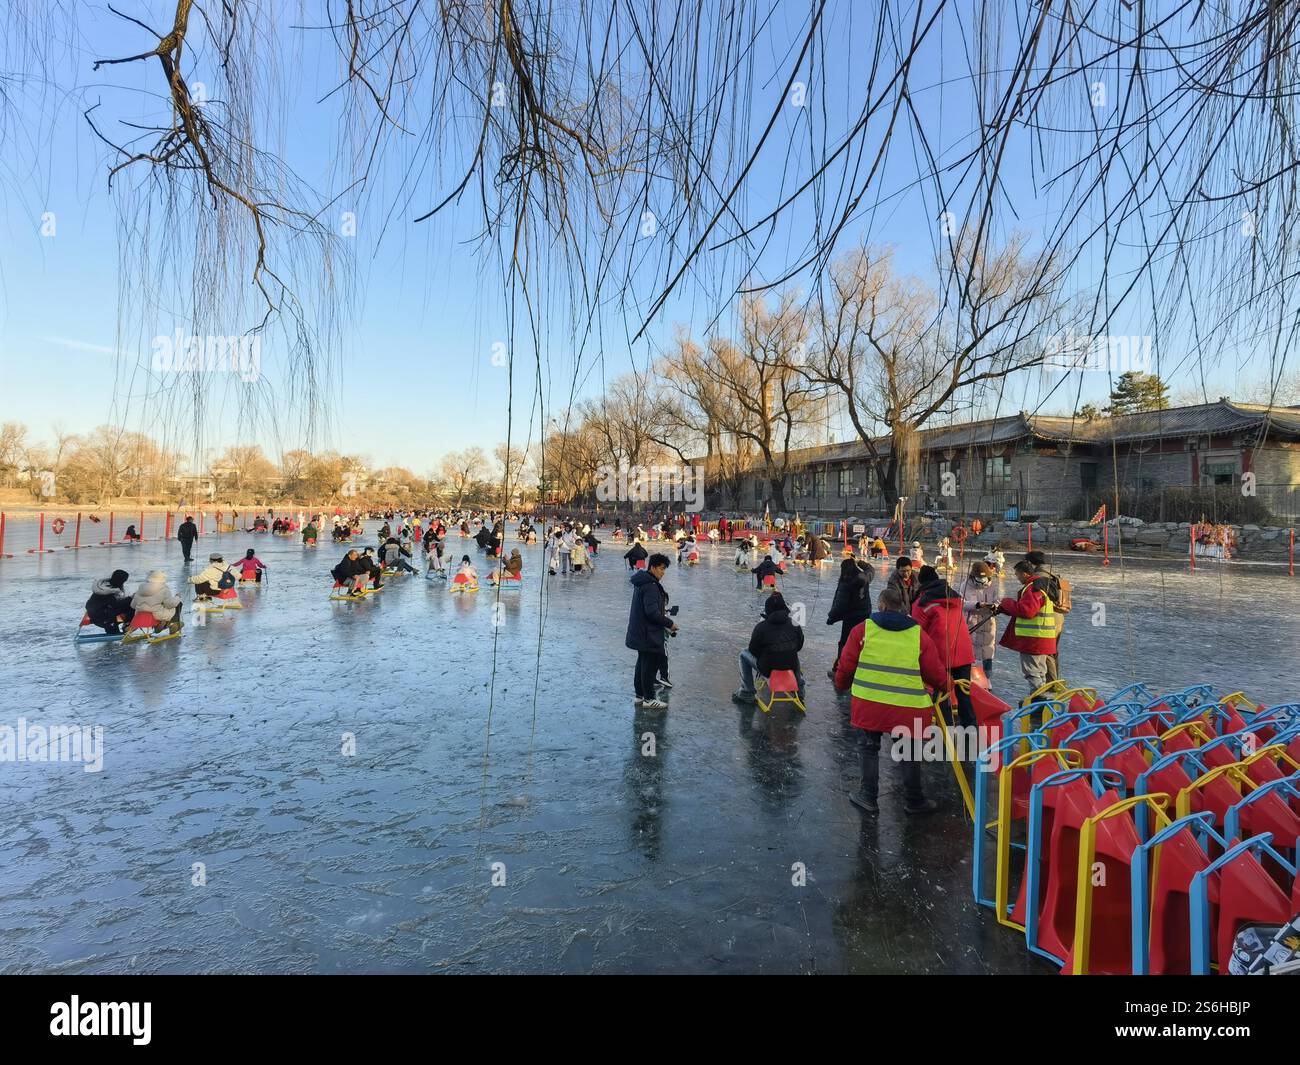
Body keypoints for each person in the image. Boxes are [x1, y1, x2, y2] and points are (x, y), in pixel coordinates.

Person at [834, 586, 951, 815]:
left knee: (868, 749)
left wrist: (841, 685)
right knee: (908, 752)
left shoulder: (862, 630)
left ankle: (868, 796)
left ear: (881, 606)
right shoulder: (918, 635)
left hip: (869, 704)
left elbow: (846, 665)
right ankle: (914, 799)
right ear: (903, 608)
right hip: (908, 708)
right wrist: (948, 686)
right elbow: (934, 672)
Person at [911, 565, 976, 728]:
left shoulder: (923, 602)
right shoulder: (955, 597)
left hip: (940, 655)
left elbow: (916, 631)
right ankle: (970, 728)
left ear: (921, 582)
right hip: (964, 652)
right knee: (964, 694)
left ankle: (946, 729)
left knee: (941, 693)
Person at [998, 560, 1058, 698]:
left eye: (1017, 574)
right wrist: (1007, 609)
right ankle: (1043, 699)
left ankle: (1038, 701)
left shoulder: (1032, 588)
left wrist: (1006, 602)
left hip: (1033, 638)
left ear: (1024, 574)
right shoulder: (1042, 586)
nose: (1017, 577)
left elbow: (1027, 611)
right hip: (1043, 637)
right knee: (1040, 671)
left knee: (1033, 671)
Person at [732, 592, 806, 704]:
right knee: (792, 653)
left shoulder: (761, 627)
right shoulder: (794, 623)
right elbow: (799, 646)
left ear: (767, 610)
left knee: (743, 654)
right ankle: (800, 690)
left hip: (767, 669)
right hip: (791, 666)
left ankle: (747, 692)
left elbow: (753, 650)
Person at [625, 553, 676, 711]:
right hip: (648, 633)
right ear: (652, 567)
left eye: (664, 570)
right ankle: (649, 698)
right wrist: (670, 623)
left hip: (640, 631)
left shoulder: (642, 582)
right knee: (649, 666)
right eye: (661, 569)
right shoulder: (651, 586)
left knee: (642, 664)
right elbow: (652, 613)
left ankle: (640, 696)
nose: (663, 573)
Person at [1025, 549, 1069, 682]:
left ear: (1030, 563)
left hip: (1048, 617)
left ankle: (1052, 684)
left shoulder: (1038, 577)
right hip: (1059, 616)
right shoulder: (1053, 574)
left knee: (1047, 651)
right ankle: (1055, 682)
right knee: (1053, 651)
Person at [826, 558, 871, 679]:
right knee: (861, 643)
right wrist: (861, 562)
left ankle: (840, 671)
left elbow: (840, 604)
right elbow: (870, 570)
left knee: (845, 644)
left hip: (851, 618)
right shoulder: (865, 577)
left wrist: (831, 617)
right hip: (865, 616)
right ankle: (859, 669)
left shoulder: (846, 583)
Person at [960, 561, 999, 676]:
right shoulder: (965, 585)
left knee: (988, 649)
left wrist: (994, 606)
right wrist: (976, 604)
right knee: (969, 648)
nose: (982, 580)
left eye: (984, 578)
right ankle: (969, 674)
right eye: (979, 578)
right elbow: (961, 603)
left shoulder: (993, 586)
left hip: (987, 620)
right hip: (971, 621)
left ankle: (988, 676)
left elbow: (998, 600)